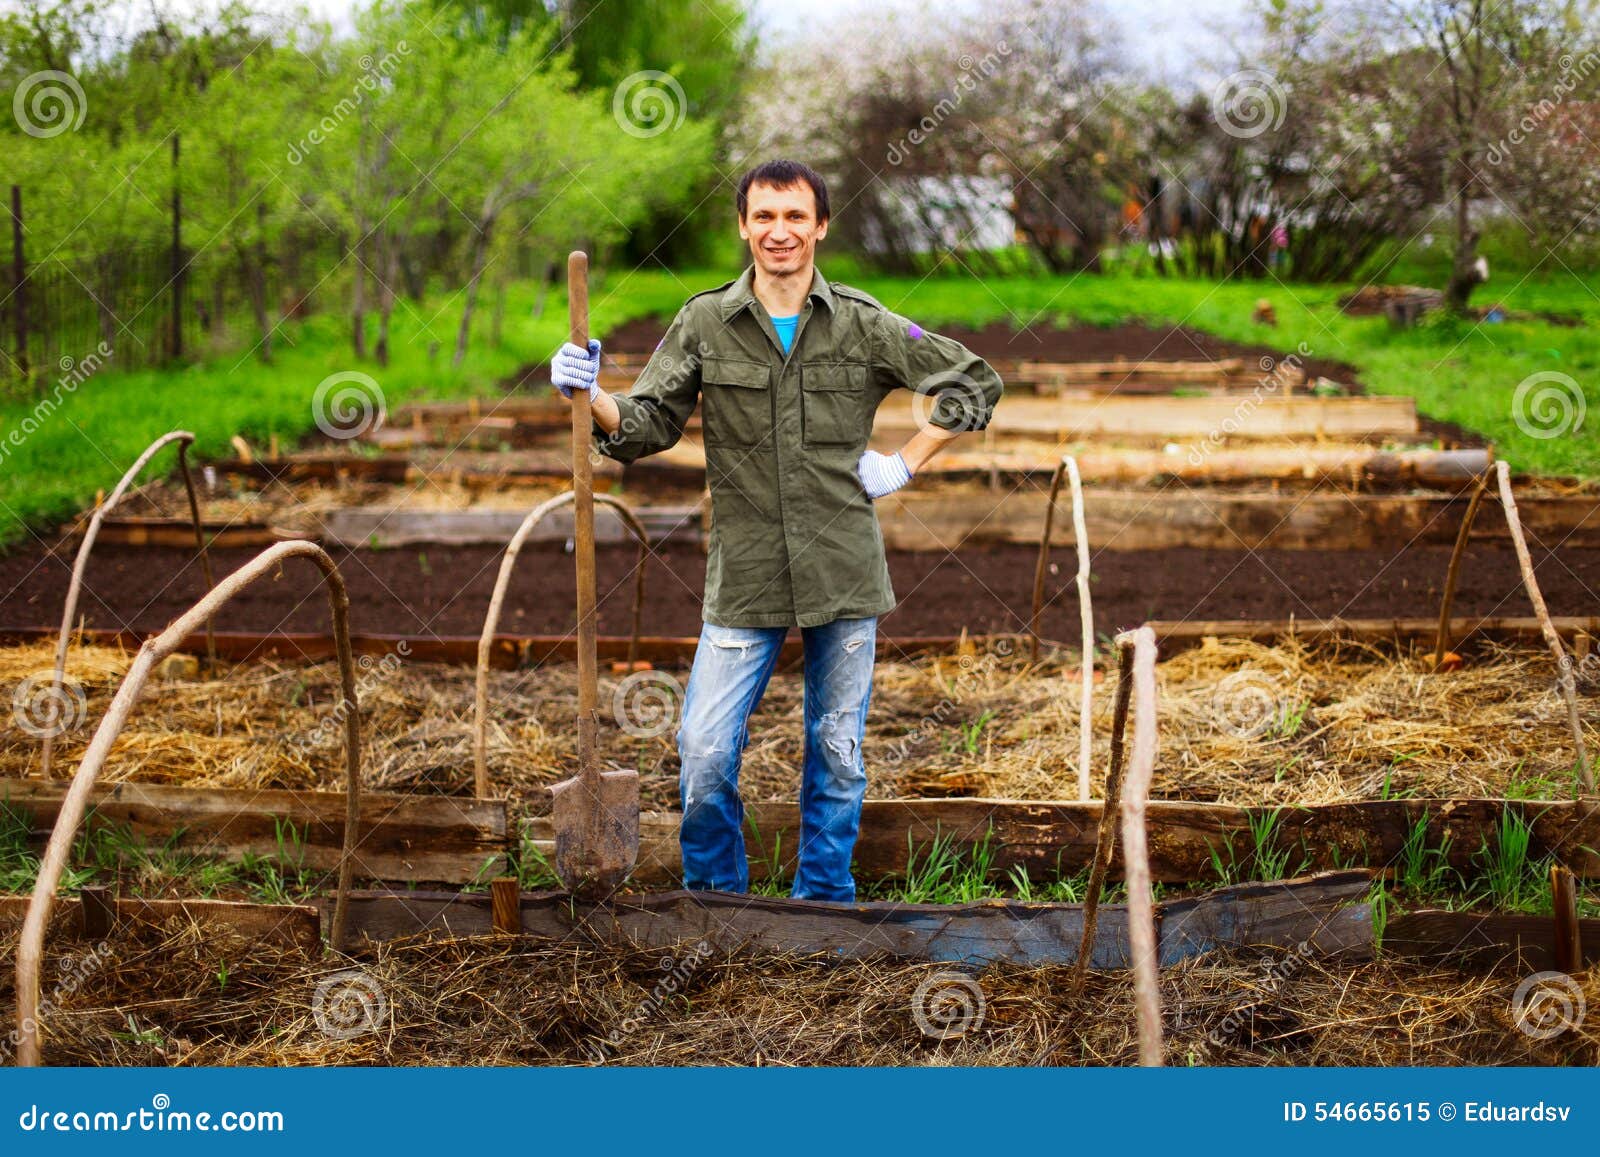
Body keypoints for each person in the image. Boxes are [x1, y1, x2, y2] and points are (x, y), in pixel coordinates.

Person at [549, 159, 1004, 902]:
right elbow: (643, 427)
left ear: (820, 225)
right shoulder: (704, 321)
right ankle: (719, 905)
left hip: (843, 566)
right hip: (748, 571)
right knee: (702, 750)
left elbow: (975, 381)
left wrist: (906, 461)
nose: (779, 232)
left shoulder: (863, 321)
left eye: (795, 216)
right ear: (742, 225)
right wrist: (591, 392)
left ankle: (823, 906)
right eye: (764, 216)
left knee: (838, 752)